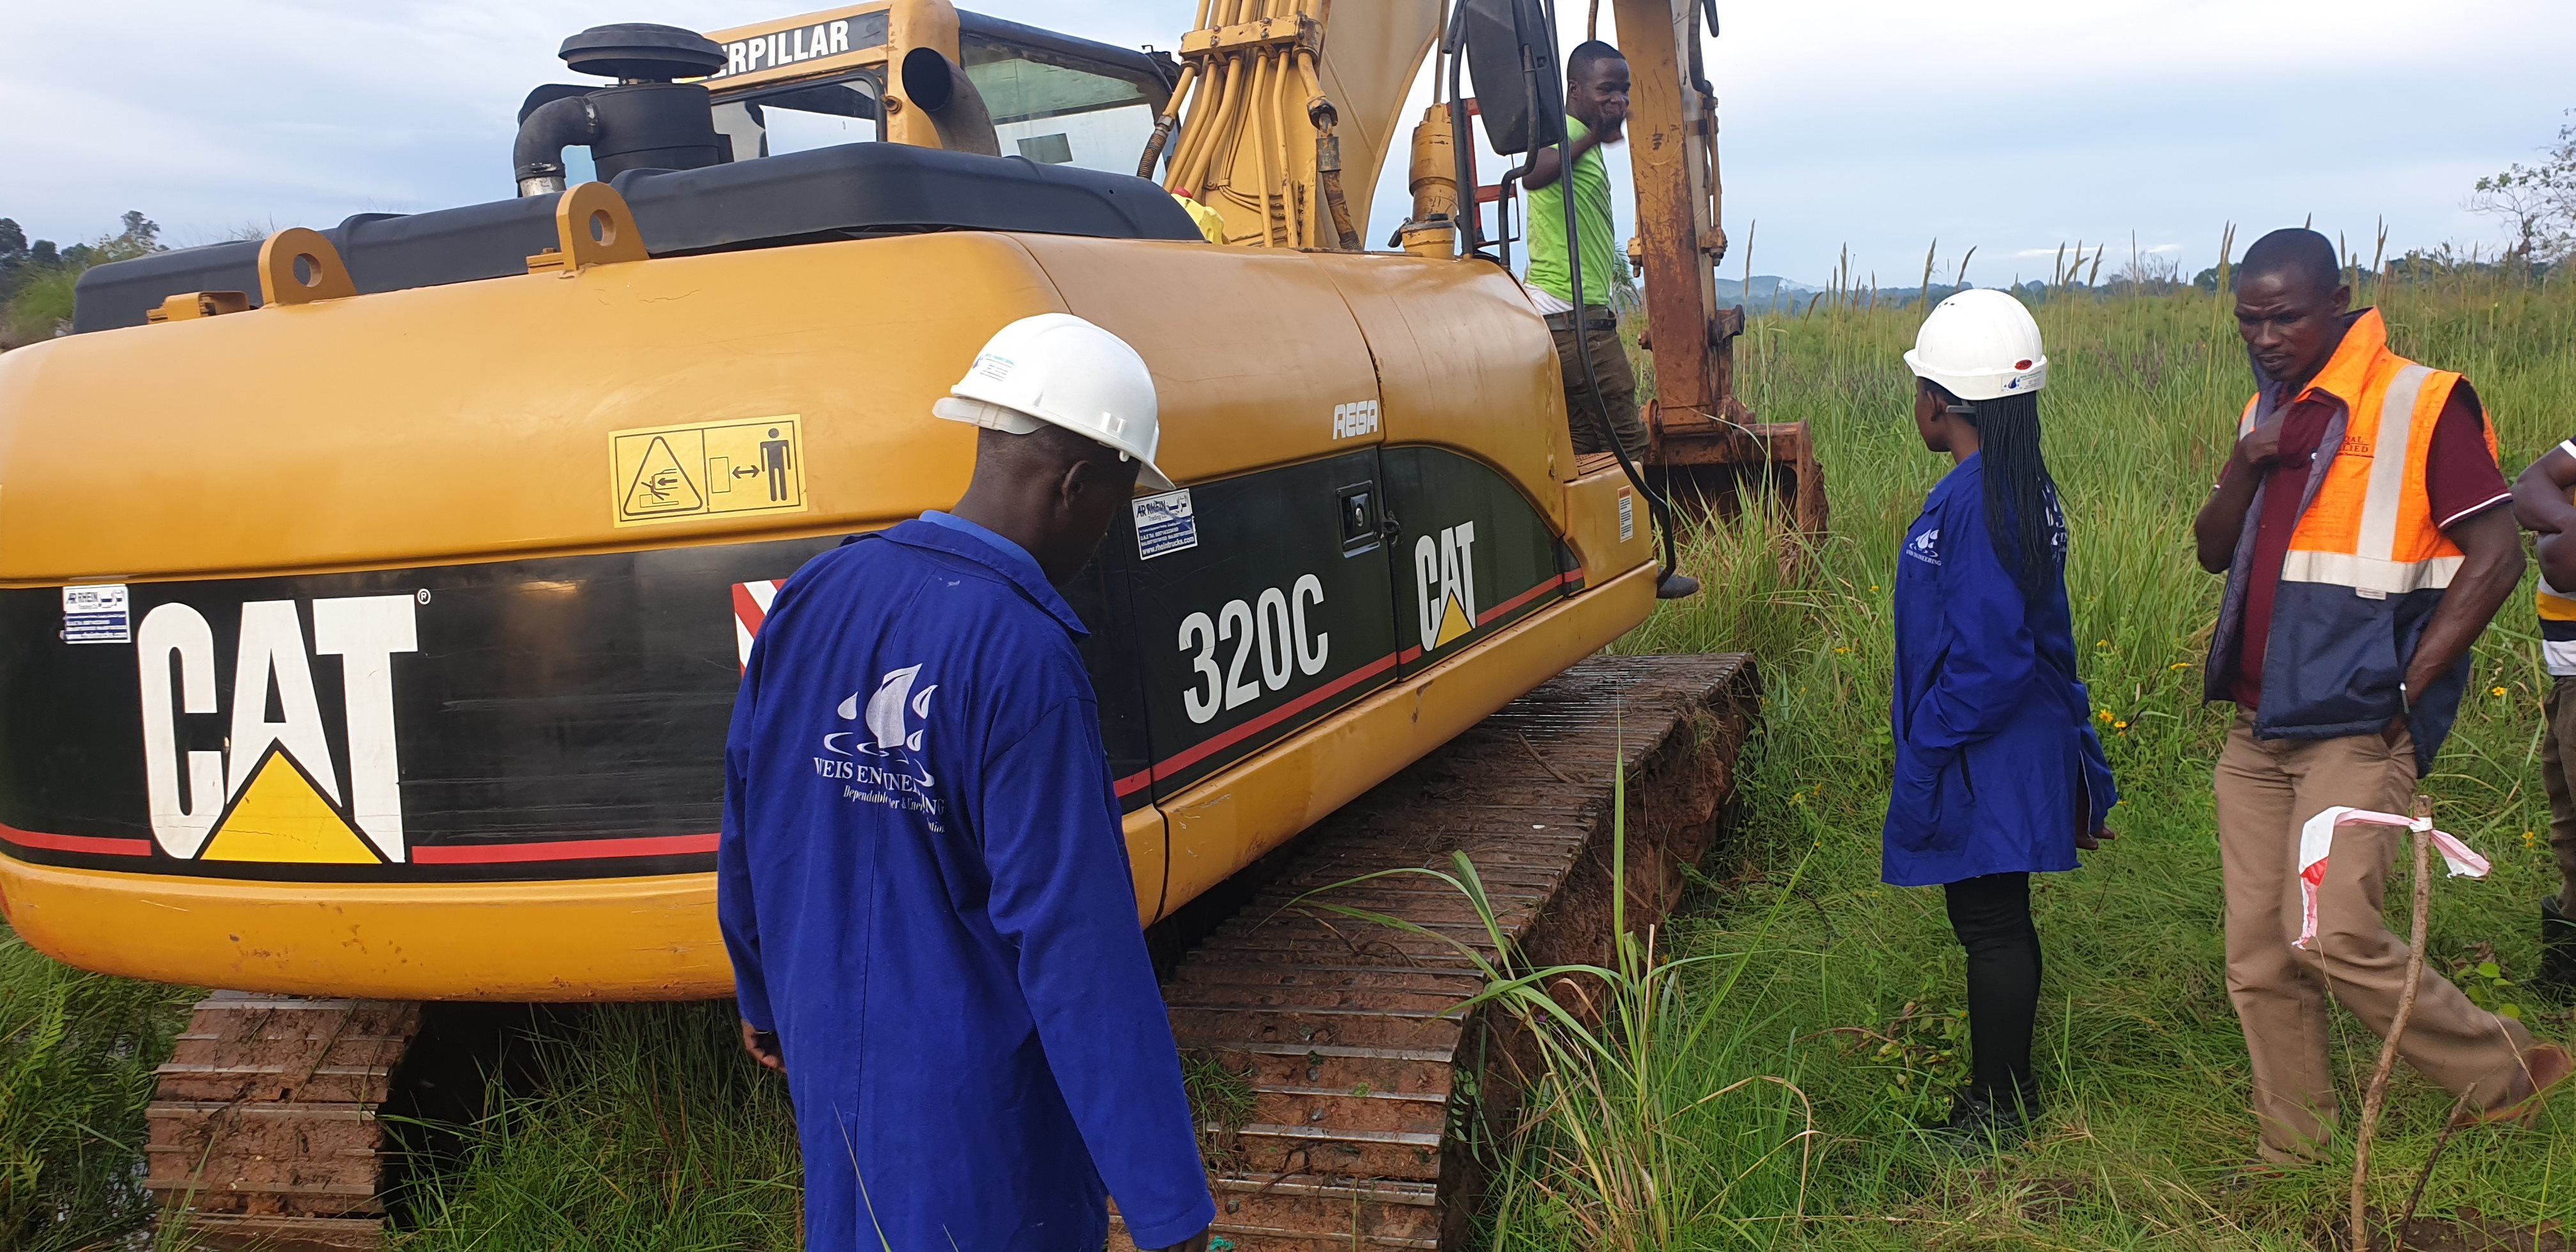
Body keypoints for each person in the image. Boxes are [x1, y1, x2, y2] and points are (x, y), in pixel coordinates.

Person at [719, 313, 1216, 1251]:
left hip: (837, 1072)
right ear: (1077, 485)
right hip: (981, 1126)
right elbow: (1079, 955)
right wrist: (1167, 1208)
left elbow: (751, 813)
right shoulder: (1025, 658)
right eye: (1114, 506)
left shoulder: (817, 594)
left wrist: (760, 993)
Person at [2193, 227, 2571, 1164]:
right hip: (2257, 731)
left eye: (2285, 316)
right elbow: (2213, 549)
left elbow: (2493, 561)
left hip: (2358, 729)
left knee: (2333, 931)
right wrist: (2251, 456)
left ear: (2338, 300)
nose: (2266, 336)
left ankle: (2508, 1074)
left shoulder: (2419, 401)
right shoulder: (2266, 411)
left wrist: (2410, 682)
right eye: (2250, 318)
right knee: (2260, 955)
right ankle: (2296, 1154)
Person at [1886, 289, 2118, 1145]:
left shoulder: (1976, 502)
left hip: (1988, 747)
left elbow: (1991, 660)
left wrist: (1928, 751)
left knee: (1988, 925)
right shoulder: (2010, 484)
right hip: (2012, 739)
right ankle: (2004, 1089)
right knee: (1997, 916)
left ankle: (1998, 1108)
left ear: (1941, 405)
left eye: (1920, 390)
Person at [1524, 39, 1643, 465]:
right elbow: (1533, 174)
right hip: (1577, 324)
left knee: (1585, 449)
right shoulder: (1566, 136)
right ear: (1575, 90)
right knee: (1628, 447)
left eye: (1624, 90)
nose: (1619, 99)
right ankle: (1634, 531)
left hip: (1570, 322)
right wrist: (1595, 138)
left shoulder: (1580, 141)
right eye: (1607, 89)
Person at [2510, 443, 2576, 1000]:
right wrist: (2563, 520)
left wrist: (2556, 528)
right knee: (2568, 830)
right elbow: (2527, 486)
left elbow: (2562, 564)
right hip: (2568, 679)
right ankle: (2565, 983)